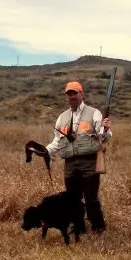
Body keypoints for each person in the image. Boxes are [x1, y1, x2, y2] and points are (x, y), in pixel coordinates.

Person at [46, 81, 112, 234]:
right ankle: (79, 228)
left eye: (74, 93)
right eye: (69, 94)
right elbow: (57, 141)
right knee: (72, 199)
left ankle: (98, 228)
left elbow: (104, 135)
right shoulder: (62, 117)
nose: (71, 96)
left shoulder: (94, 113)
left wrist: (106, 128)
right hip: (70, 164)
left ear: (82, 94)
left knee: (91, 198)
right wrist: (46, 151)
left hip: (89, 161)